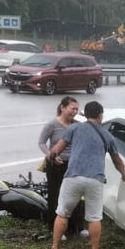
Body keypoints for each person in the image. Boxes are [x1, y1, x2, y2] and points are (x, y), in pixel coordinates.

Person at [47, 101, 125, 249]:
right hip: (95, 179)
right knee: (94, 217)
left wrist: (53, 156)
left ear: (85, 114)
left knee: (62, 213)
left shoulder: (74, 128)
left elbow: (57, 149)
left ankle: (55, 248)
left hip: (73, 176)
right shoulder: (107, 135)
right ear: (100, 115)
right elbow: (117, 160)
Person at [38, 96, 81, 229]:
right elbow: (41, 143)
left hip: (73, 165)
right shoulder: (52, 125)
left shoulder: (77, 125)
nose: (75, 112)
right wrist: (50, 155)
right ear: (62, 108)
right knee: (55, 195)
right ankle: (54, 226)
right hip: (56, 165)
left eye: (77, 109)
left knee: (75, 195)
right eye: (72, 108)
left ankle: (75, 226)